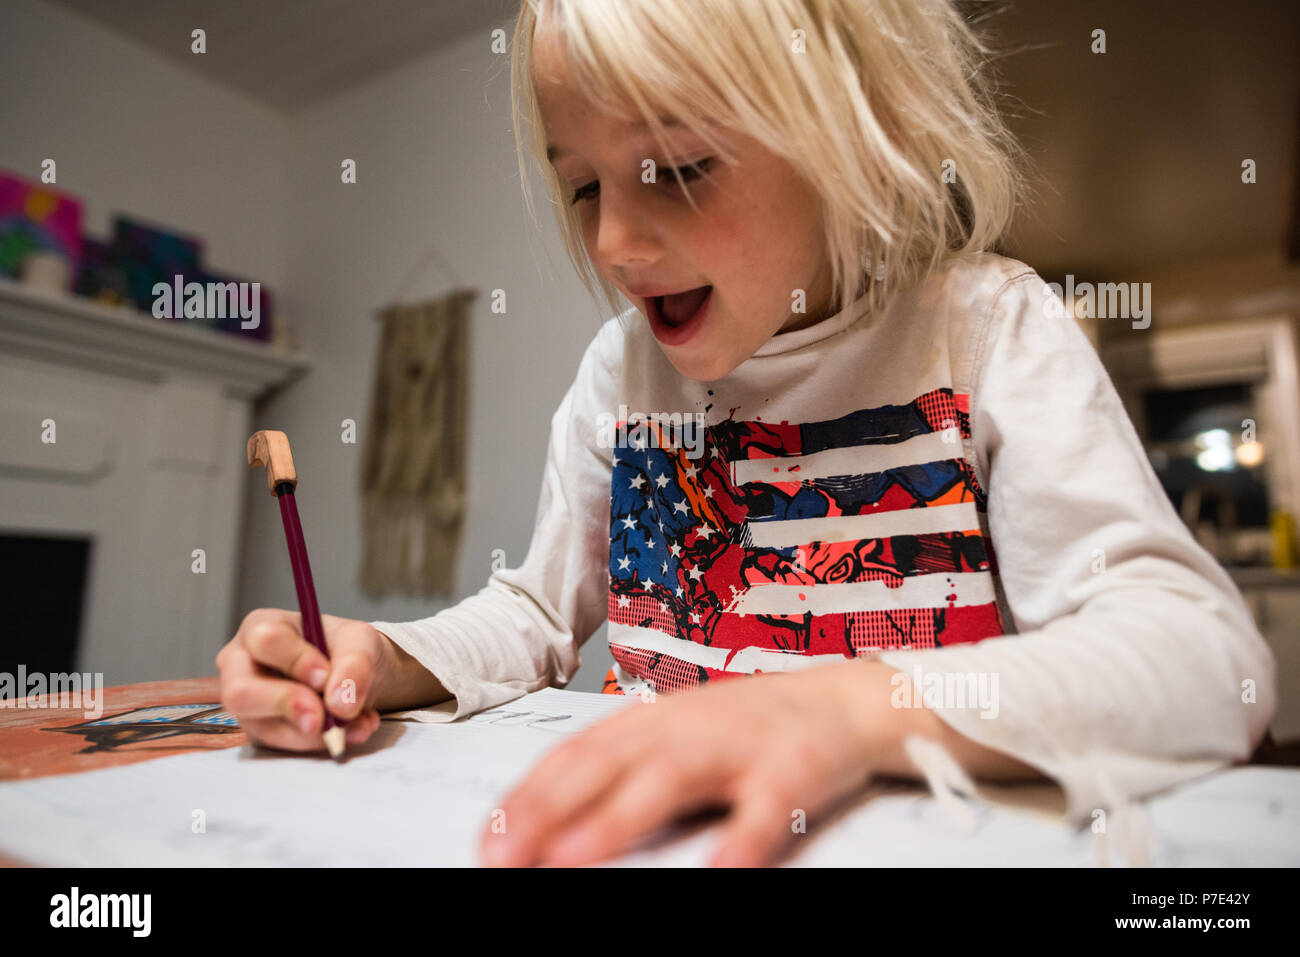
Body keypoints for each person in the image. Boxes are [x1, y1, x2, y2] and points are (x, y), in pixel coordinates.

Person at [217, 0, 1276, 867]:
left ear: (868, 128)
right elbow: (535, 613)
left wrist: (848, 714)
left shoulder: (987, 331)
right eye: (581, 184)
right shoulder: (618, 372)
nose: (616, 242)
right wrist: (383, 658)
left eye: (676, 168)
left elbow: (1201, 655)